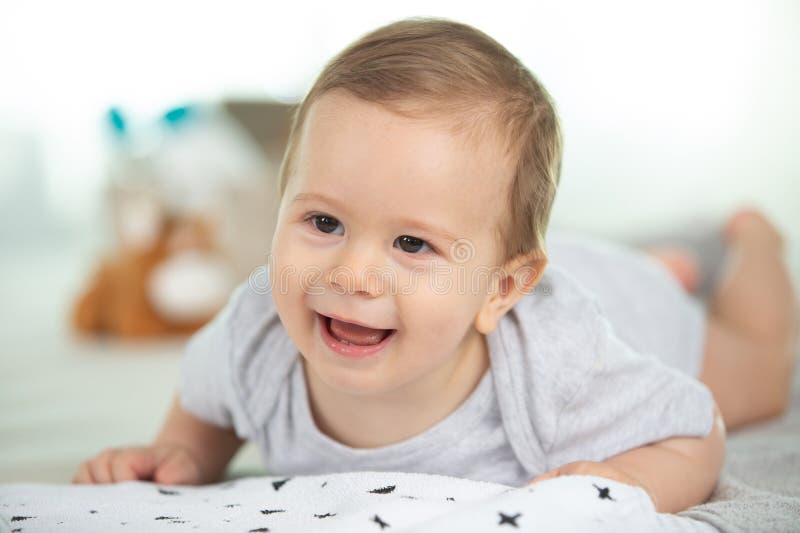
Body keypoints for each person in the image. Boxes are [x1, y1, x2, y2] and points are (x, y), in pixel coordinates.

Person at [73, 18, 799, 515]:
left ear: (504, 288)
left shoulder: (563, 368)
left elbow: (696, 429)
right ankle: (661, 258)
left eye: (410, 243)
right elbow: (207, 403)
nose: (353, 274)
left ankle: (750, 237)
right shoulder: (257, 327)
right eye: (324, 221)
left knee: (761, 374)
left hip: (626, 309)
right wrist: (178, 457)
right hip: (520, 267)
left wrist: (620, 481)